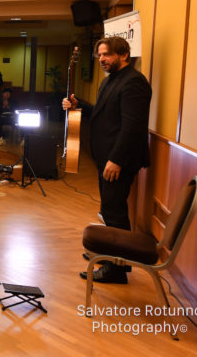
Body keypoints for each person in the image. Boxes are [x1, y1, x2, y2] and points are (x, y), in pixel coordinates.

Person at [64, 36, 151, 284]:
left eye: (107, 55)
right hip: (107, 159)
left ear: (124, 55)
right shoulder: (110, 81)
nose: (101, 60)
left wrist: (116, 159)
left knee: (115, 212)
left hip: (118, 160)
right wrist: (78, 105)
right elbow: (101, 114)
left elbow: (132, 127)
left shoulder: (134, 82)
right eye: (99, 55)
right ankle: (110, 255)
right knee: (108, 210)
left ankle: (117, 270)